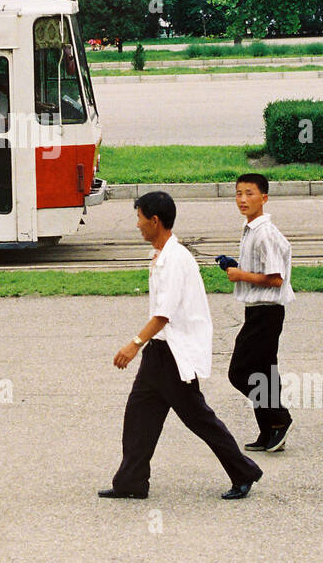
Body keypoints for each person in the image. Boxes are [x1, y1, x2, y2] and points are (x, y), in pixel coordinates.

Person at [102, 191, 264, 501]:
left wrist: (133, 345)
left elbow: (163, 314)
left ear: (155, 220)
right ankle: (131, 481)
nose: (136, 225)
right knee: (139, 415)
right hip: (159, 353)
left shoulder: (176, 259)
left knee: (199, 418)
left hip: (174, 355)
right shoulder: (163, 255)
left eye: (139, 218)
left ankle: (243, 472)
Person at [218, 173, 295, 452]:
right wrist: (235, 266)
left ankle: (279, 418)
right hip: (257, 311)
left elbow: (275, 278)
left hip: (267, 312)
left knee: (239, 372)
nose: (242, 199)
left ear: (264, 198)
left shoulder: (264, 232)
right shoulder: (251, 228)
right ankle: (270, 431)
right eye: (238, 193)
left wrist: (240, 274)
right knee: (264, 372)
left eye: (250, 194)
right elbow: (260, 270)